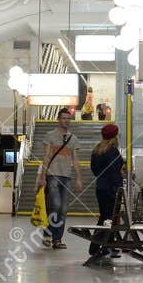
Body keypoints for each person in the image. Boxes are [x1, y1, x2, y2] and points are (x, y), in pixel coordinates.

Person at [36, 106, 83, 250]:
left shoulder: (73, 139)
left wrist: (78, 178)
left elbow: (75, 159)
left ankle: (57, 239)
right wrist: (42, 176)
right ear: (58, 119)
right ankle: (47, 235)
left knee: (63, 209)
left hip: (66, 176)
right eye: (64, 118)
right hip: (52, 175)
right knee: (55, 205)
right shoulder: (50, 136)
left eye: (69, 119)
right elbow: (47, 156)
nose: (66, 121)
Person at [88, 124, 126, 258]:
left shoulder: (97, 150)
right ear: (115, 136)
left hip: (101, 187)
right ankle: (96, 246)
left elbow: (94, 169)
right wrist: (119, 185)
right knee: (108, 218)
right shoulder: (113, 151)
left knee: (105, 217)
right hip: (112, 188)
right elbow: (116, 171)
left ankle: (108, 246)